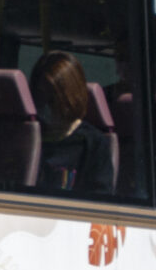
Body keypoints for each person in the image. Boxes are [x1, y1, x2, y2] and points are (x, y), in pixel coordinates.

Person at [31, 51, 115, 197]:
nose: (46, 106)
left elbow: (100, 203)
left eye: (52, 98)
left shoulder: (93, 144)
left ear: (70, 97)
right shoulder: (30, 137)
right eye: (40, 97)